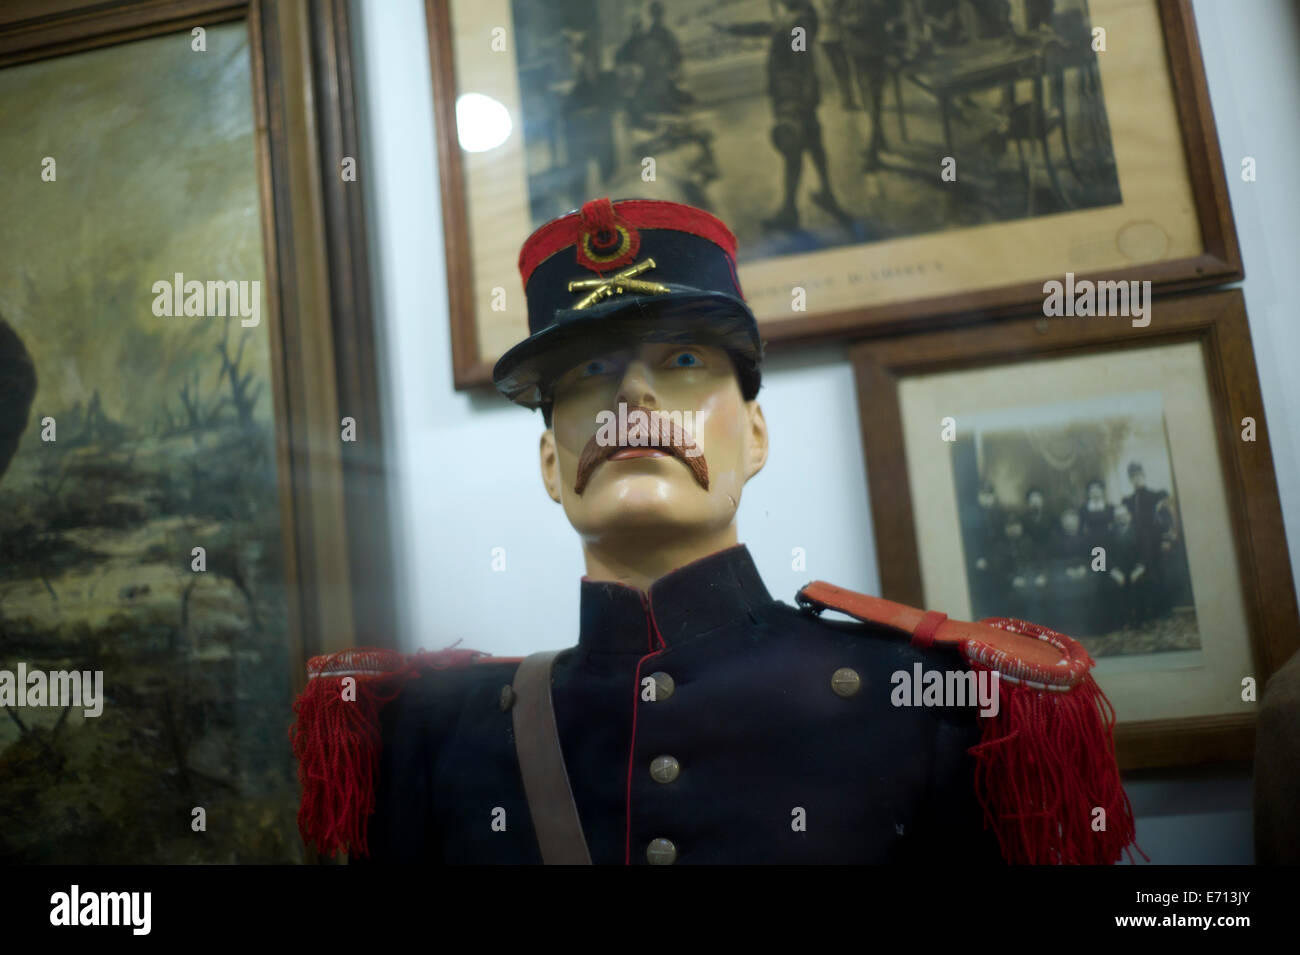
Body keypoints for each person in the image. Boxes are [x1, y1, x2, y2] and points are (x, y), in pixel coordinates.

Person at [291, 197, 1139, 865]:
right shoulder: (430, 732)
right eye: (591, 374)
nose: (633, 401)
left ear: (757, 438)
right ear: (552, 464)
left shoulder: (938, 702)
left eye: (685, 362)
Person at [712, 0, 853, 230]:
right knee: (815, 145)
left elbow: (801, 61)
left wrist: (795, 105)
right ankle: (826, 196)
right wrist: (730, 29)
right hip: (797, 98)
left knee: (793, 150)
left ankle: (790, 211)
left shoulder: (799, 23)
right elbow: (766, 27)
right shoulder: (795, 17)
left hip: (793, 99)